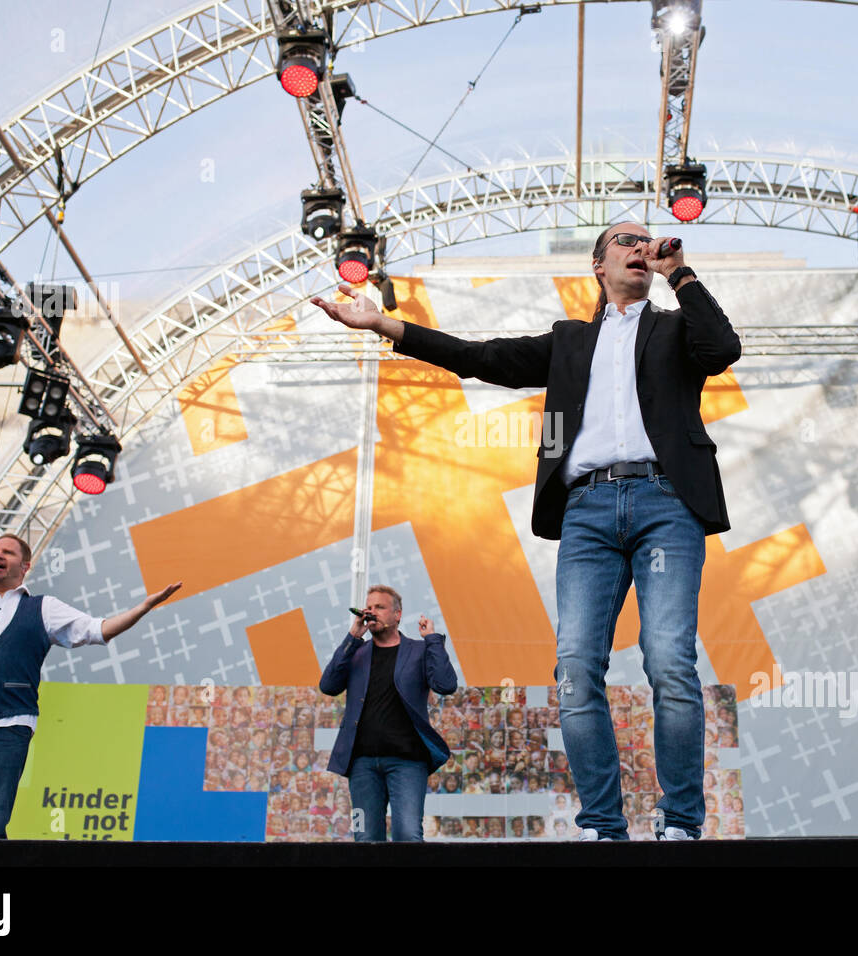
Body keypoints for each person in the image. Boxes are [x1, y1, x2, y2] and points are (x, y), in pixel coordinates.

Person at [312, 225, 739, 841]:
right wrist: (385, 327)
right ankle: (602, 824)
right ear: (598, 265)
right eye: (626, 241)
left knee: (669, 659)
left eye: (650, 241)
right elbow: (480, 357)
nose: (641, 247)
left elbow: (722, 348)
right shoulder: (570, 342)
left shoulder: (674, 328)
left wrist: (682, 275)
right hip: (587, 511)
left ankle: (679, 822)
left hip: (665, 503)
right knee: (574, 667)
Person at [0, 534, 181, 838]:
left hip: (9, 725)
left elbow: (97, 630)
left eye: (7, 552)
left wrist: (144, 607)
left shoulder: (43, 608)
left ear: (26, 565)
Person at [318, 585, 458, 841]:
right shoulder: (356, 651)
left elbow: (446, 684)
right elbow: (328, 685)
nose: (371, 612)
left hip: (407, 761)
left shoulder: (419, 649)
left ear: (397, 615)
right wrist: (353, 636)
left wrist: (432, 639)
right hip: (361, 764)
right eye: (369, 607)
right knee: (365, 837)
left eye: (380, 607)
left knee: (407, 834)